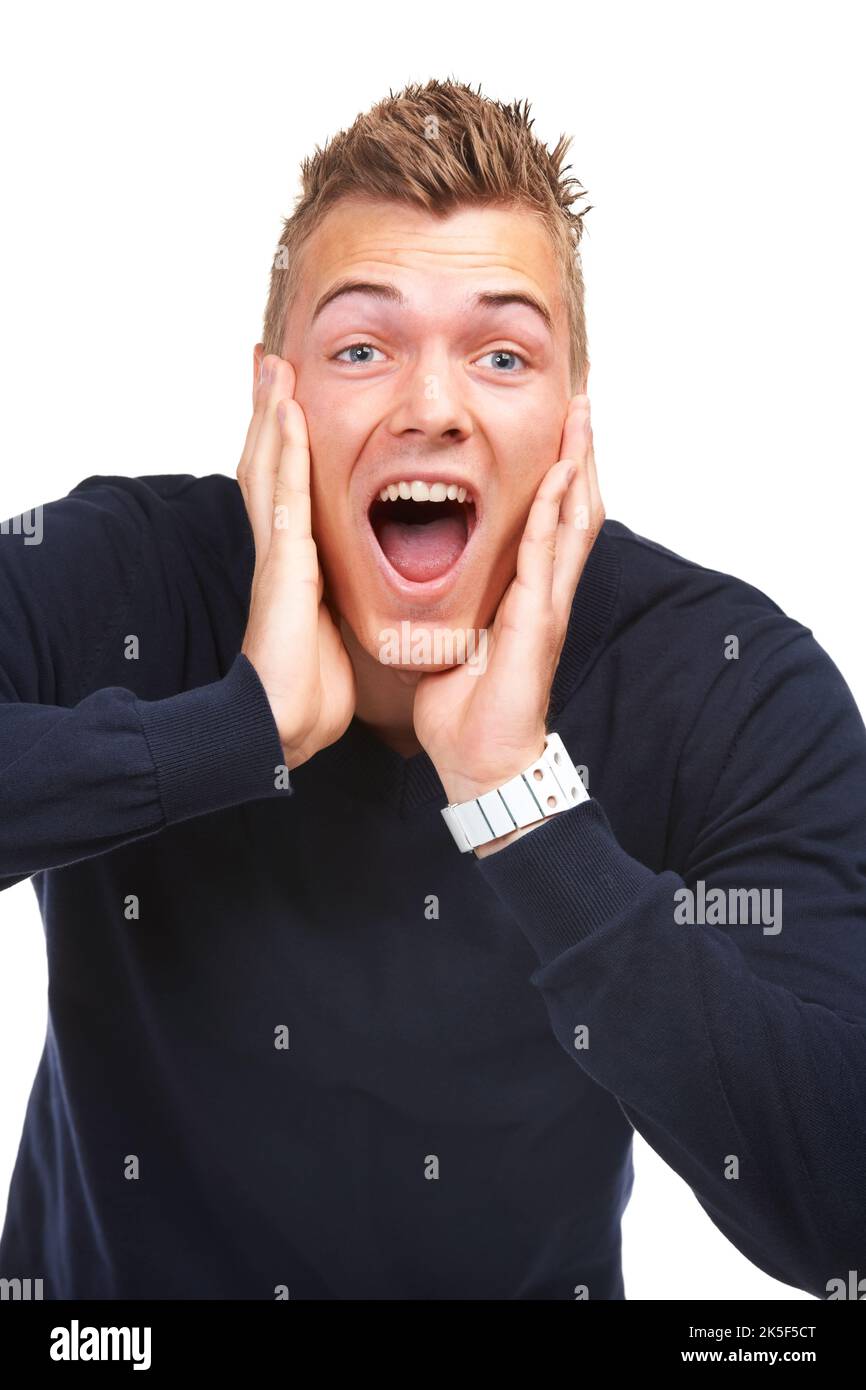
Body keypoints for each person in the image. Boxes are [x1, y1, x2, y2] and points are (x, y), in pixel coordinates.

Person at [1, 77, 864, 1301]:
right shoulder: (118, 577)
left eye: (501, 353)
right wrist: (228, 731)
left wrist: (521, 803)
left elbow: (843, 1206)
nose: (429, 407)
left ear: (570, 424)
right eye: (362, 346)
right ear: (275, 397)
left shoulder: (726, 683)